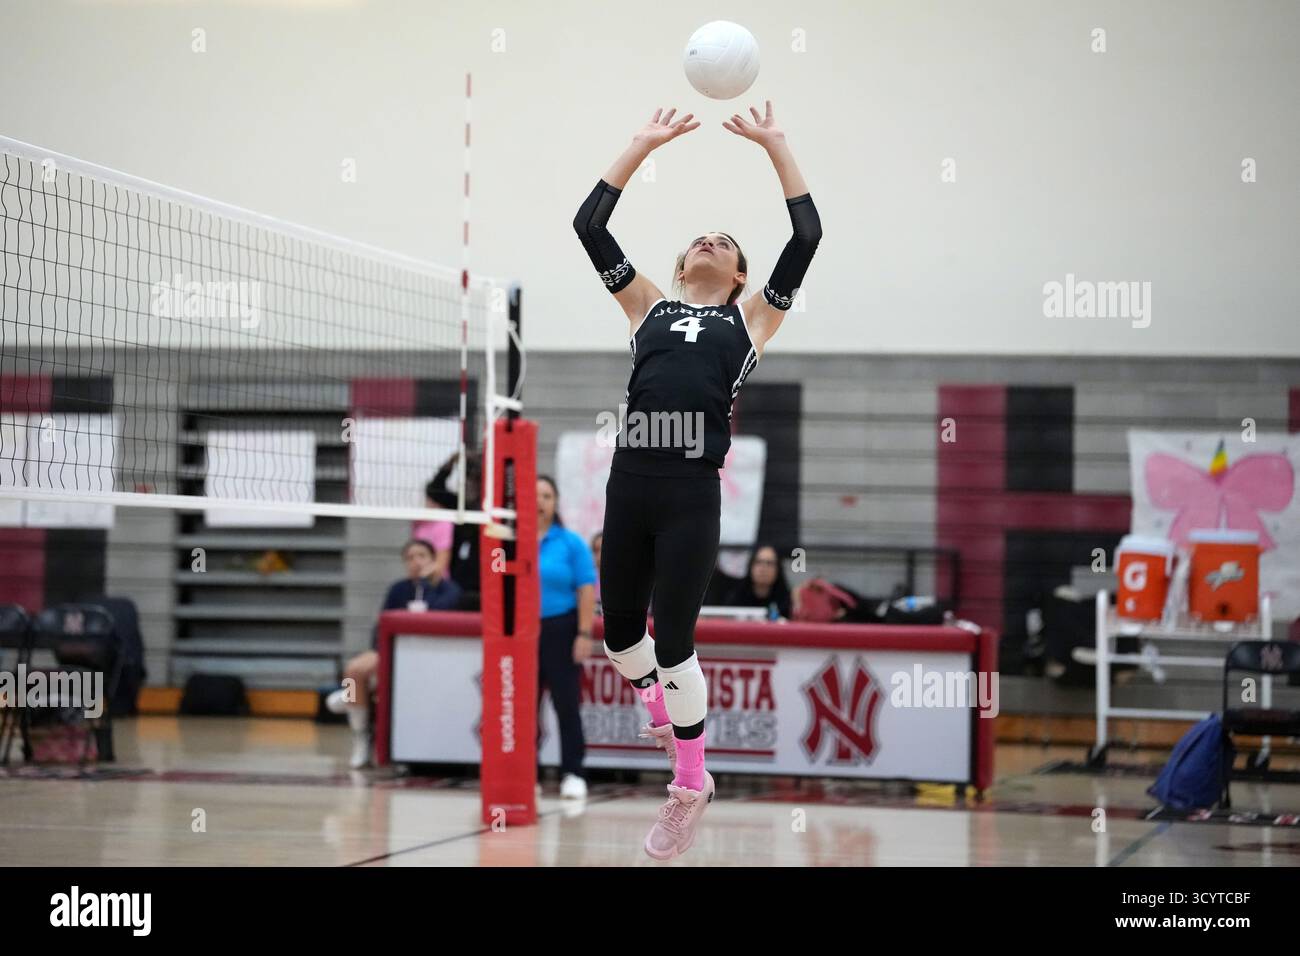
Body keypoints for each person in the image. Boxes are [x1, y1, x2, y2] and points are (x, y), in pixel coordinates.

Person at [573, 102, 821, 859]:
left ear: (739, 273)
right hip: (631, 482)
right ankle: (657, 705)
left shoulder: (752, 320)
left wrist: (777, 147)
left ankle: (689, 784)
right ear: (681, 266)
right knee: (619, 638)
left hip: (689, 491)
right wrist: (639, 147)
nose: (709, 243)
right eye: (697, 240)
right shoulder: (645, 305)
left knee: (674, 643)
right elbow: (590, 228)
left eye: (725, 243)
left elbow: (806, 237)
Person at [325, 539, 462, 768]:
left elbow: (443, 611)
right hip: (394, 653)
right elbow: (381, 625)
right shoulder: (398, 589)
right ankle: (360, 733)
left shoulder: (449, 589)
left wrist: (428, 584)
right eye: (409, 558)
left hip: (434, 658)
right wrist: (377, 651)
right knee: (352, 671)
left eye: (421, 556)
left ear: (433, 560)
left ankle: (352, 700)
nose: (415, 562)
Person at [536, 476, 598, 799]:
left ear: (555, 501)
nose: (539, 501)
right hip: (521, 634)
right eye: (534, 495)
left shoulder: (571, 543)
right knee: (522, 705)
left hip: (561, 628)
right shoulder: (510, 541)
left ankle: (573, 772)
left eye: (546, 495)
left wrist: (584, 632)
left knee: (566, 703)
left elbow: (586, 588)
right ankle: (525, 772)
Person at [426, 451, 483, 609]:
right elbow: (433, 490)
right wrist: (449, 465)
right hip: (459, 584)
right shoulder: (461, 504)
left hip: (488, 584)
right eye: (467, 478)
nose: (469, 484)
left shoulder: (496, 509)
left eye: (475, 479)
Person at [723, 543, 792, 620]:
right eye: (758, 562)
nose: (763, 568)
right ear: (751, 567)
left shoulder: (788, 602)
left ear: (778, 569)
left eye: (769, 563)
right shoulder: (736, 598)